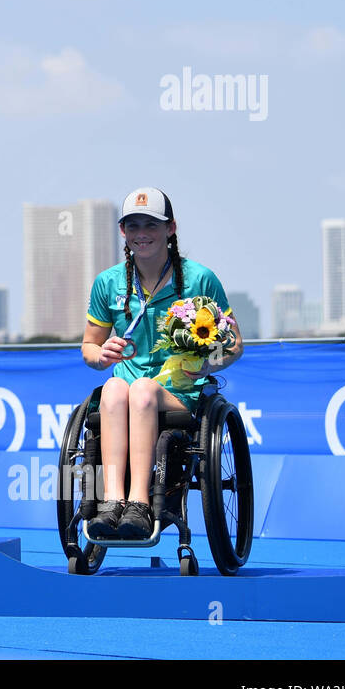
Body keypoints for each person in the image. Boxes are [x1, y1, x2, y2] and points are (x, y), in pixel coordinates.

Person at [80, 187, 243, 539]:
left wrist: (208, 366)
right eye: (133, 225)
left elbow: (234, 345)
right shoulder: (107, 283)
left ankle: (139, 503)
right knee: (112, 388)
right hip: (124, 389)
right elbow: (89, 349)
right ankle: (111, 502)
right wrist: (101, 354)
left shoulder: (200, 279)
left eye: (151, 225)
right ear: (123, 231)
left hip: (179, 391)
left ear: (170, 229)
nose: (142, 234)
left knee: (141, 391)